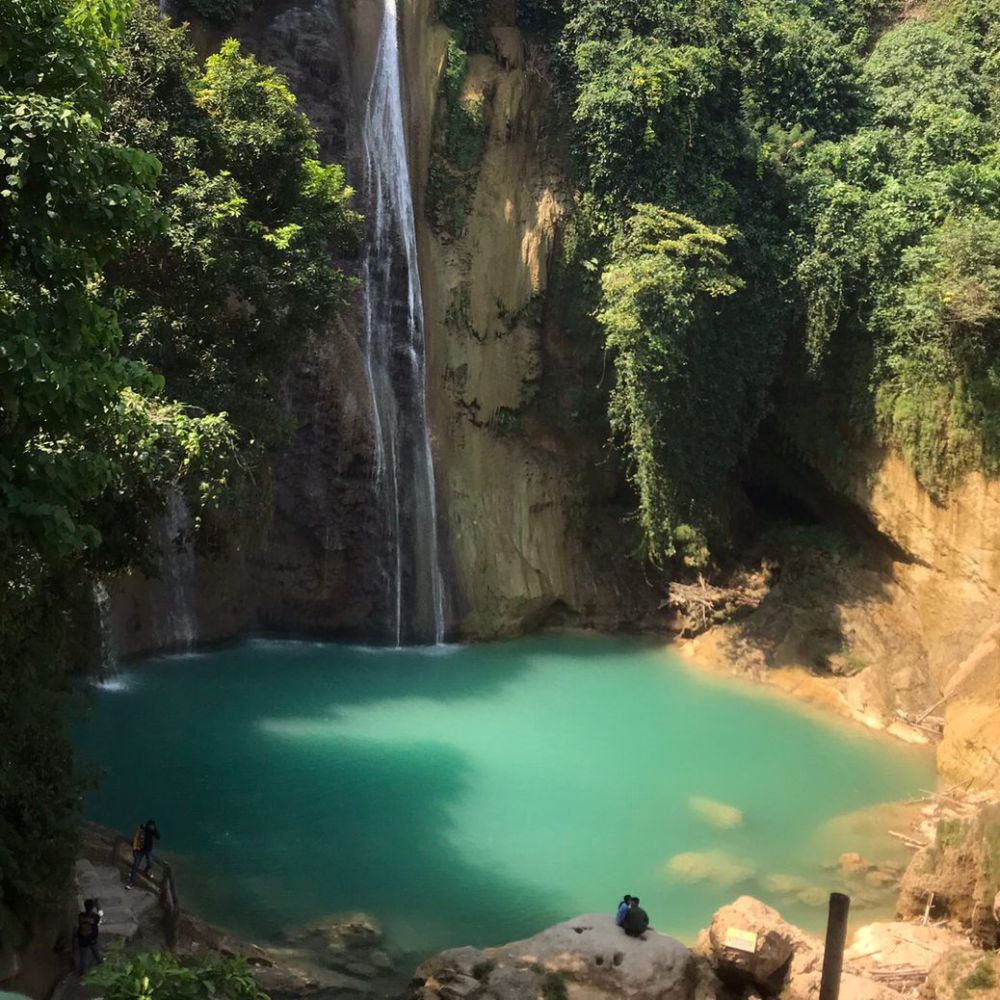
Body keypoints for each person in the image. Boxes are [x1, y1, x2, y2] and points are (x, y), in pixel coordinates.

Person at [125, 819, 160, 889]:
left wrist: (155, 830)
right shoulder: (142, 828)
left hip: (148, 851)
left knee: (150, 864)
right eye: (151, 825)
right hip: (139, 850)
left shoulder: (152, 831)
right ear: (148, 824)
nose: (151, 827)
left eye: (153, 826)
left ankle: (145, 872)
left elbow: (158, 837)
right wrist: (134, 849)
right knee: (135, 866)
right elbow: (136, 838)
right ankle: (131, 883)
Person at [76, 898, 103, 974]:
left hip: (82, 937)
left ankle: (82, 971)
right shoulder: (95, 917)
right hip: (91, 938)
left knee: (83, 956)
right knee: (95, 951)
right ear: (92, 907)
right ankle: (100, 963)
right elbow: (100, 916)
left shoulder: (80, 915)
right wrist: (98, 906)